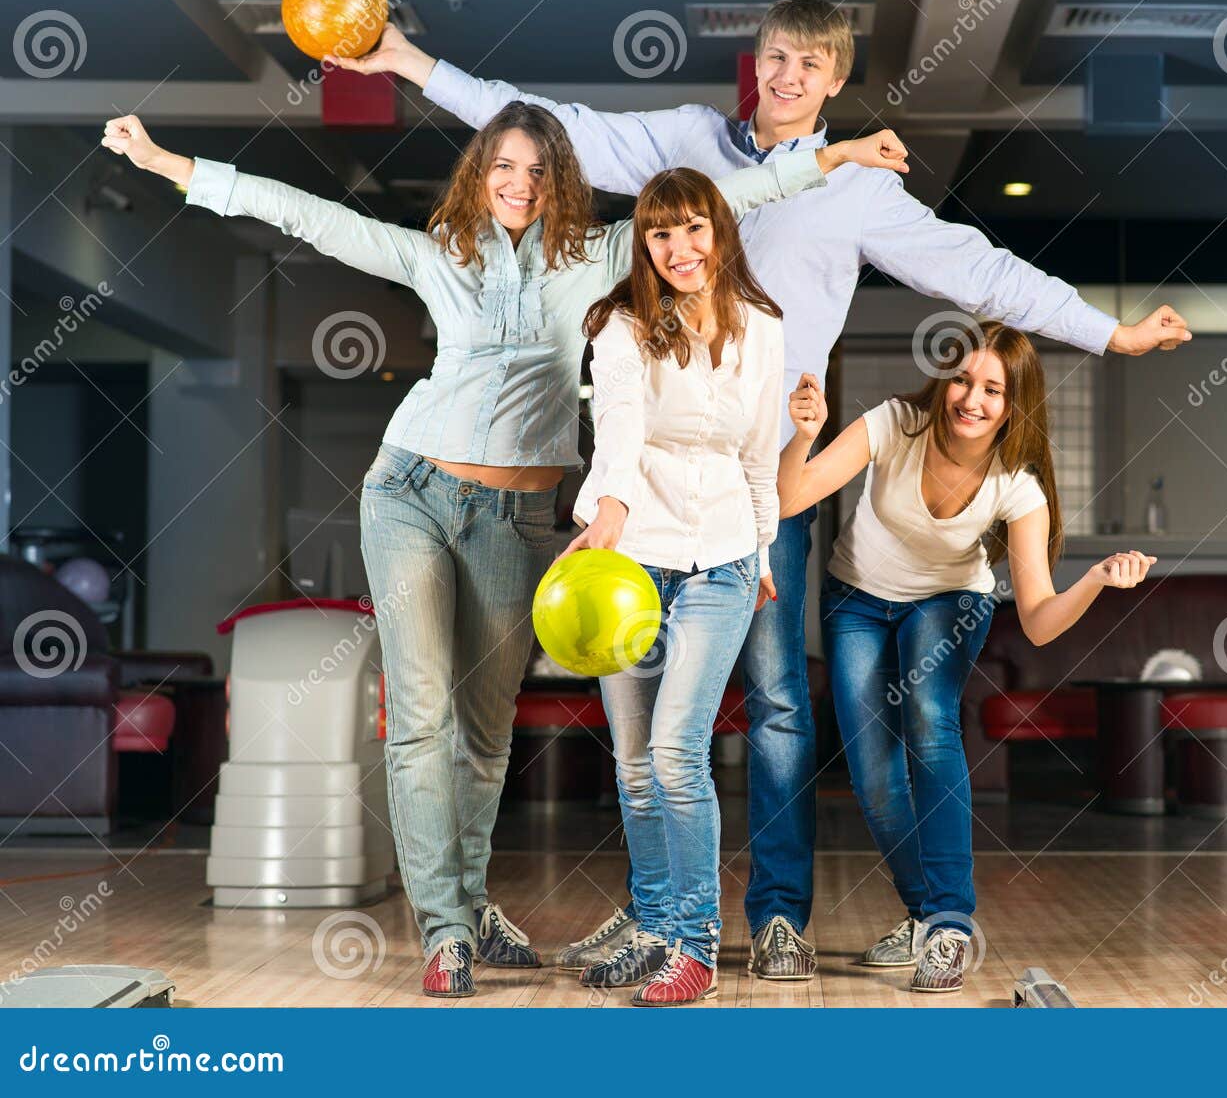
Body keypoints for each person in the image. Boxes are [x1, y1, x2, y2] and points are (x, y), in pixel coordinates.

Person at [337, 0, 1190, 980]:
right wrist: (406, 61)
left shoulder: (858, 193)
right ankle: (657, 912)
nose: (788, 76)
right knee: (636, 701)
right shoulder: (692, 143)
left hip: (765, 473)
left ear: (835, 81)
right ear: (757, 62)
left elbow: (980, 271)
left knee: (778, 696)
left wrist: (1111, 333)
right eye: (776, 57)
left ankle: (776, 914)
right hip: (649, 469)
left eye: (810, 65)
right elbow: (556, 128)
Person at [99, 109, 905, 999]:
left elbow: (732, 198)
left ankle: (475, 903)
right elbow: (306, 215)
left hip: (520, 515)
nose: (517, 183)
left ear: (559, 178)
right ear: (477, 175)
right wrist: (170, 162)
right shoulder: (434, 253)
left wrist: (838, 155)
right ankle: (445, 931)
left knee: (486, 731)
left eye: (535, 169)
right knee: (418, 717)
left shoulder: (602, 258)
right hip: (409, 489)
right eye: (501, 166)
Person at [778, 321, 1155, 992]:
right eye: (961, 379)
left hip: (949, 603)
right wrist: (804, 436)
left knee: (929, 715)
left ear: (1015, 404)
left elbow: (1038, 622)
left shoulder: (1018, 485)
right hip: (857, 599)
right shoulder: (897, 424)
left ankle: (949, 924)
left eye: (992, 389)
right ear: (942, 377)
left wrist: (1095, 580)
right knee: (871, 774)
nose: (970, 400)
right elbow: (790, 498)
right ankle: (925, 914)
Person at [564, 163, 838, 1006]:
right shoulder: (620, 326)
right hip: (630, 558)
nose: (679, 248)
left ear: (719, 231)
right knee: (636, 765)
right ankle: (652, 928)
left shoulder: (762, 327)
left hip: (722, 560)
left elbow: (759, 457)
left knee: (678, 753)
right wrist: (608, 513)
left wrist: (759, 555)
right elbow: (618, 428)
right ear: (645, 245)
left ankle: (695, 945)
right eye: (660, 233)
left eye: (692, 228)